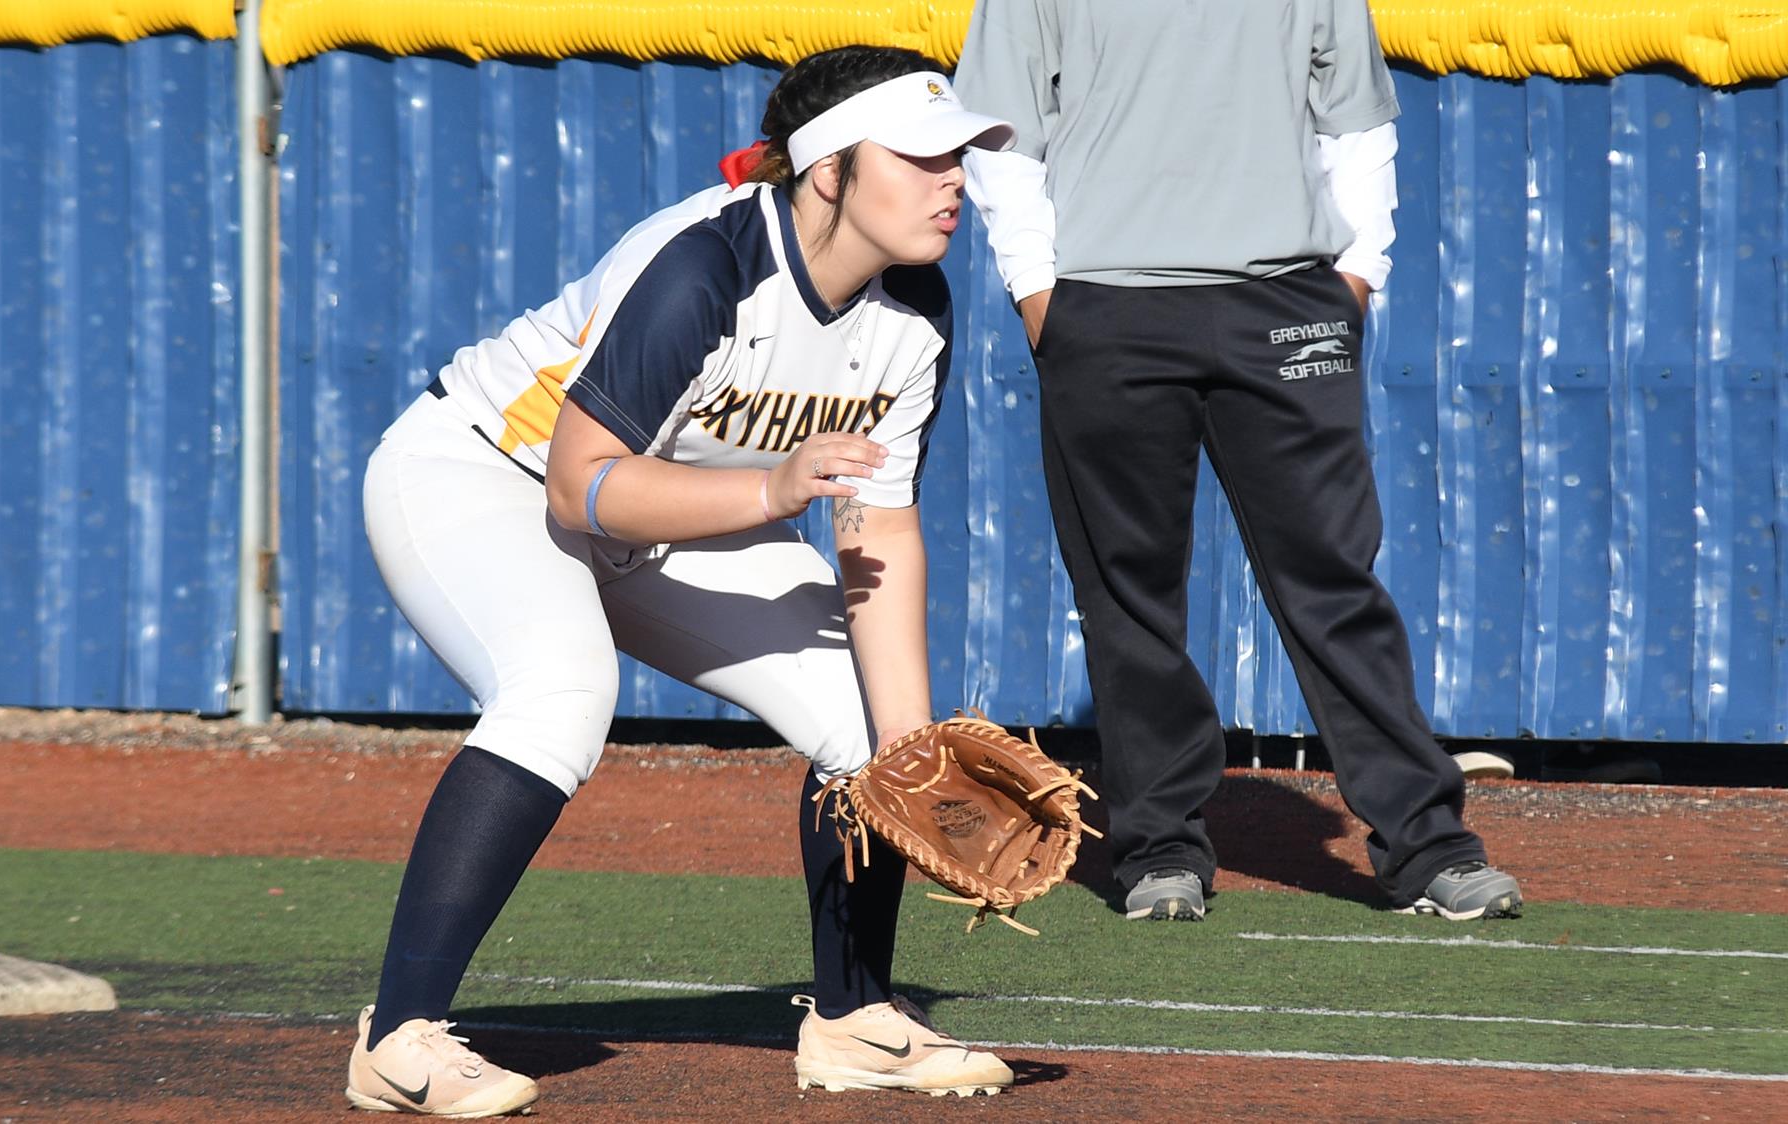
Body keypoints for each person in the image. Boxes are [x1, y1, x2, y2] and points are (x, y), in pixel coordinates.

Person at [346, 46, 1021, 1116]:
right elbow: (577, 491)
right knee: (560, 688)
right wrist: (773, 490)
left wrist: (910, 755)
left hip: (679, 509)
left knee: (863, 728)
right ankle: (399, 1036)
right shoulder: (703, 263)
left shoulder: (914, 308)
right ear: (828, 171)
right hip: (483, 477)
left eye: (962, 155)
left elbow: (878, 531)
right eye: (923, 154)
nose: (955, 178)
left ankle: (852, 1020)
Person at [955, 1, 1524, 924]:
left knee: (1332, 578)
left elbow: (1358, 120)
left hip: (1287, 299)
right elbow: (1002, 131)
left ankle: (1427, 848)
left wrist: (1357, 273)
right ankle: (1160, 850)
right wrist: (1038, 291)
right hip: (1106, 307)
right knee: (1127, 593)